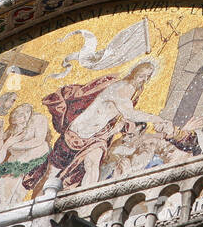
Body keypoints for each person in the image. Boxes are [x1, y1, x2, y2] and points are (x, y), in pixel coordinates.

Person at [23, 61, 172, 192]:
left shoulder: (134, 92)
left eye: (148, 76)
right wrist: (157, 119)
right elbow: (130, 114)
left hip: (98, 136)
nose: (144, 79)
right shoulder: (121, 87)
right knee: (50, 173)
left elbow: (122, 117)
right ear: (135, 72)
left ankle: (85, 202)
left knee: (93, 164)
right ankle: (35, 205)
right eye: (142, 75)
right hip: (78, 133)